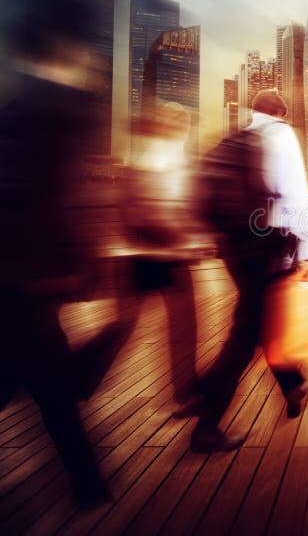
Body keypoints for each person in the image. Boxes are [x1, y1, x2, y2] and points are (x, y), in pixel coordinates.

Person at [0, 0, 116, 508]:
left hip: (21, 279)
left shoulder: (23, 108)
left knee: (40, 383)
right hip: (28, 279)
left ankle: (89, 485)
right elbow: (58, 195)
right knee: (50, 386)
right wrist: (81, 264)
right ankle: (89, 486)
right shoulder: (53, 109)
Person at [186, 89, 308, 453]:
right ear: (282, 111)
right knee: (245, 335)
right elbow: (294, 196)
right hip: (268, 245)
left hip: (235, 247)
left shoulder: (238, 138)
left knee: (260, 320)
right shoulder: (281, 135)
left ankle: (291, 383)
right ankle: (206, 421)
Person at [115, 102, 208, 404]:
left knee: (126, 327)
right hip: (166, 257)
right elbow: (157, 209)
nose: (184, 129)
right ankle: (185, 393)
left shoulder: (148, 153)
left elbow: (169, 206)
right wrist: (187, 239)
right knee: (183, 326)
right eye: (182, 124)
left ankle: (186, 391)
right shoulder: (163, 156)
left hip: (142, 254)